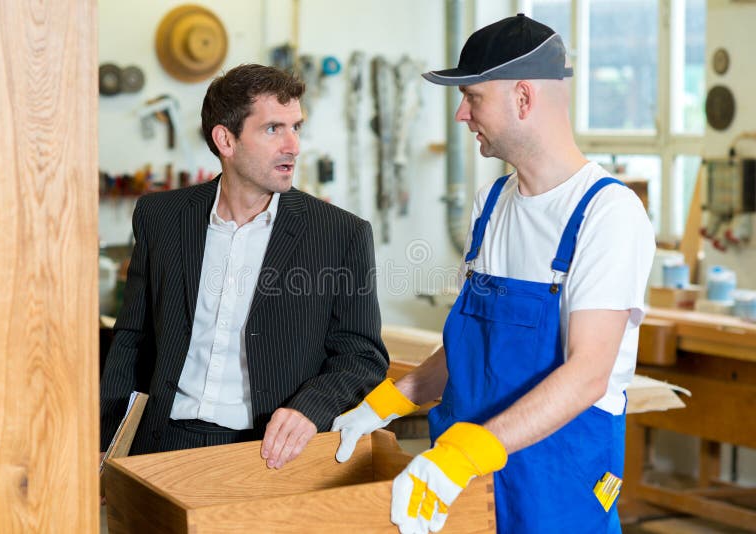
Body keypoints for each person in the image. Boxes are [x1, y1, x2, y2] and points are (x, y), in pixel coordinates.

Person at [332, 14, 655, 534]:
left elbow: (589, 372)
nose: (461, 114)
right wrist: (390, 401)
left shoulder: (607, 213)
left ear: (523, 98)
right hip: (468, 478)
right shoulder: (490, 205)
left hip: (557, 481)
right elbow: (472, 348)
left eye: (473, 97)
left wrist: (465, 454)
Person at [100, 64, 388, 469]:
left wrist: (309, 410)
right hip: (161, 445)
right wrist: (107, 440)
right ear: (225, 140)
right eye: (273, 129)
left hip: (268, 451)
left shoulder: (341, 234)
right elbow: (132, 337)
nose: (293, 146)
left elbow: (361, 356)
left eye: (297, 127)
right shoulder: (159, 216)